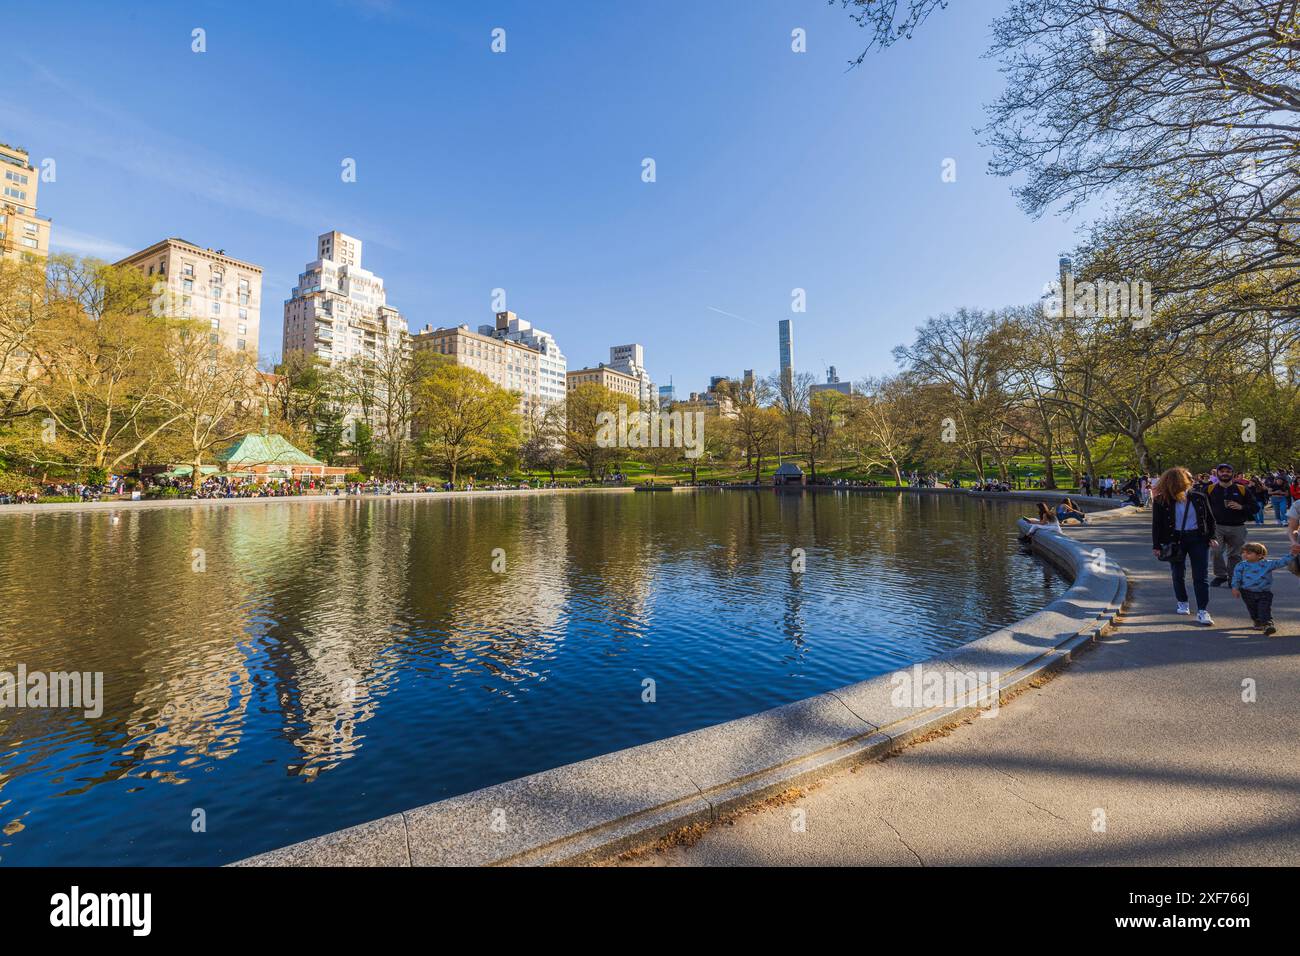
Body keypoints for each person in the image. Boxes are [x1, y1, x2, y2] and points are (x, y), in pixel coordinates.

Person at [1151, 465, 1218, 625]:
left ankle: (1203, 610)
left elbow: (1209, 519)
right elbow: (1157, 524)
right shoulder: (1162, 500)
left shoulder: (1199, 497)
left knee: (1201, 576)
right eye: (1189, 478)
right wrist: (1157, 545)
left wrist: (1212, 536)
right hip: (1175, 540)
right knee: (1178, 573)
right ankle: (1182, 601)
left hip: (1198, 539)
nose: (1192, 481)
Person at [1204, 463, 1254, 588]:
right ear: (1218, 474)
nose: (1225, 473)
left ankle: (1233, 578)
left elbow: (1255, 507)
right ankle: (1220, 575)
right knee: (1216, 552)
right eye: (1222, 471)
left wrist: (1241, 507)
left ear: (1232, 474)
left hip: (1237, 527)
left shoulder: (1241, 489)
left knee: (1235, 555)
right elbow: (1202, 507)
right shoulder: (1210, 489)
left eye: (1228, 471)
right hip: (1217, 527)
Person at [1231, 542, 1290, 636]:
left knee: (1264, 609)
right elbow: (1236, 578)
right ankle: (1257, 621)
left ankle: (1268, 625)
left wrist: (1292, 554)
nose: (1245, 555)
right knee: (1253, 609)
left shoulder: (1267, 564)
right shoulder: (1241, 565)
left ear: (1260, 555)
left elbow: (1281, 562)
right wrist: (1235, 588)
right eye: (1244, 552)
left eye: (1249, 553)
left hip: (1264, 593)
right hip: (1247, 592)